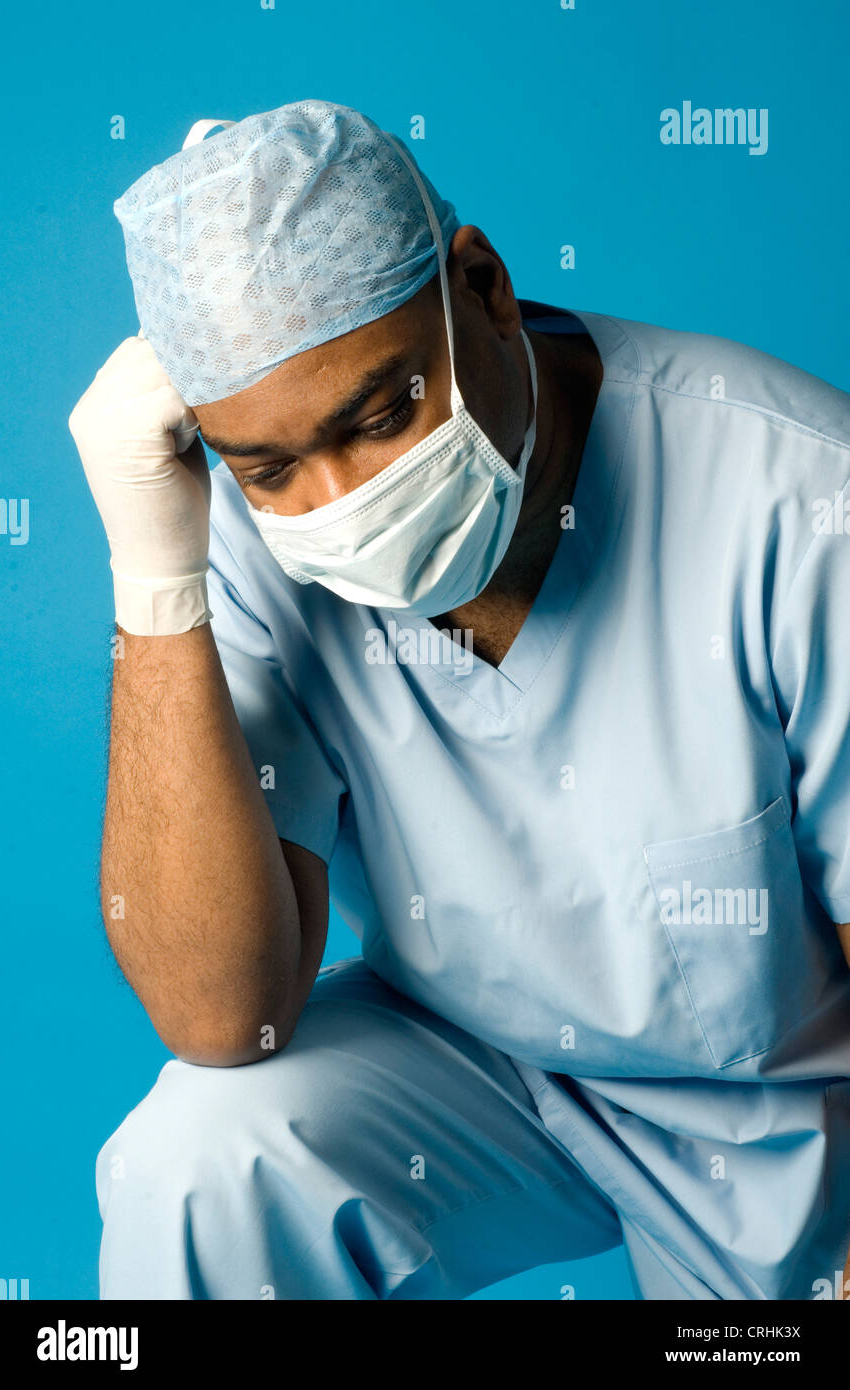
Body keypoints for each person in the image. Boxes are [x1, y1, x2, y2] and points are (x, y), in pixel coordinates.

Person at [69, 99, 850, 1300]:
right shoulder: (251, 542)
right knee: (206, 1158)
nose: (341, 501)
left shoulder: (796, 504)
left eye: (380, 416)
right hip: (490, 1078)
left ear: (479, 287)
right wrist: (156, 580)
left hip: (791, 1122)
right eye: (269, 465)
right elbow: (226, 1015)